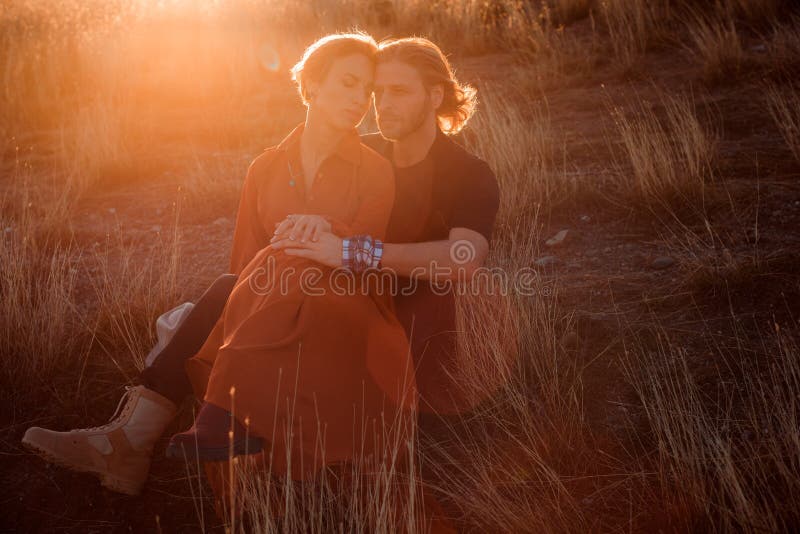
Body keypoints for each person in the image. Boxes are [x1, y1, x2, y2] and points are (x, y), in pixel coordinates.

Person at [22, 35, 502, 531]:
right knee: (236, 284)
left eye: (397, 91)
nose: (378, 104)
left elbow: (462, 259)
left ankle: (144, 436)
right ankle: (134, 440)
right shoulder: (361, 151)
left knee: (259, 278)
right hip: (316, 298)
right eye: (376, 91)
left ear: (436, 96)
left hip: (402, 322)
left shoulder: (466, 173)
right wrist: (310, 236)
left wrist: (346, 250)